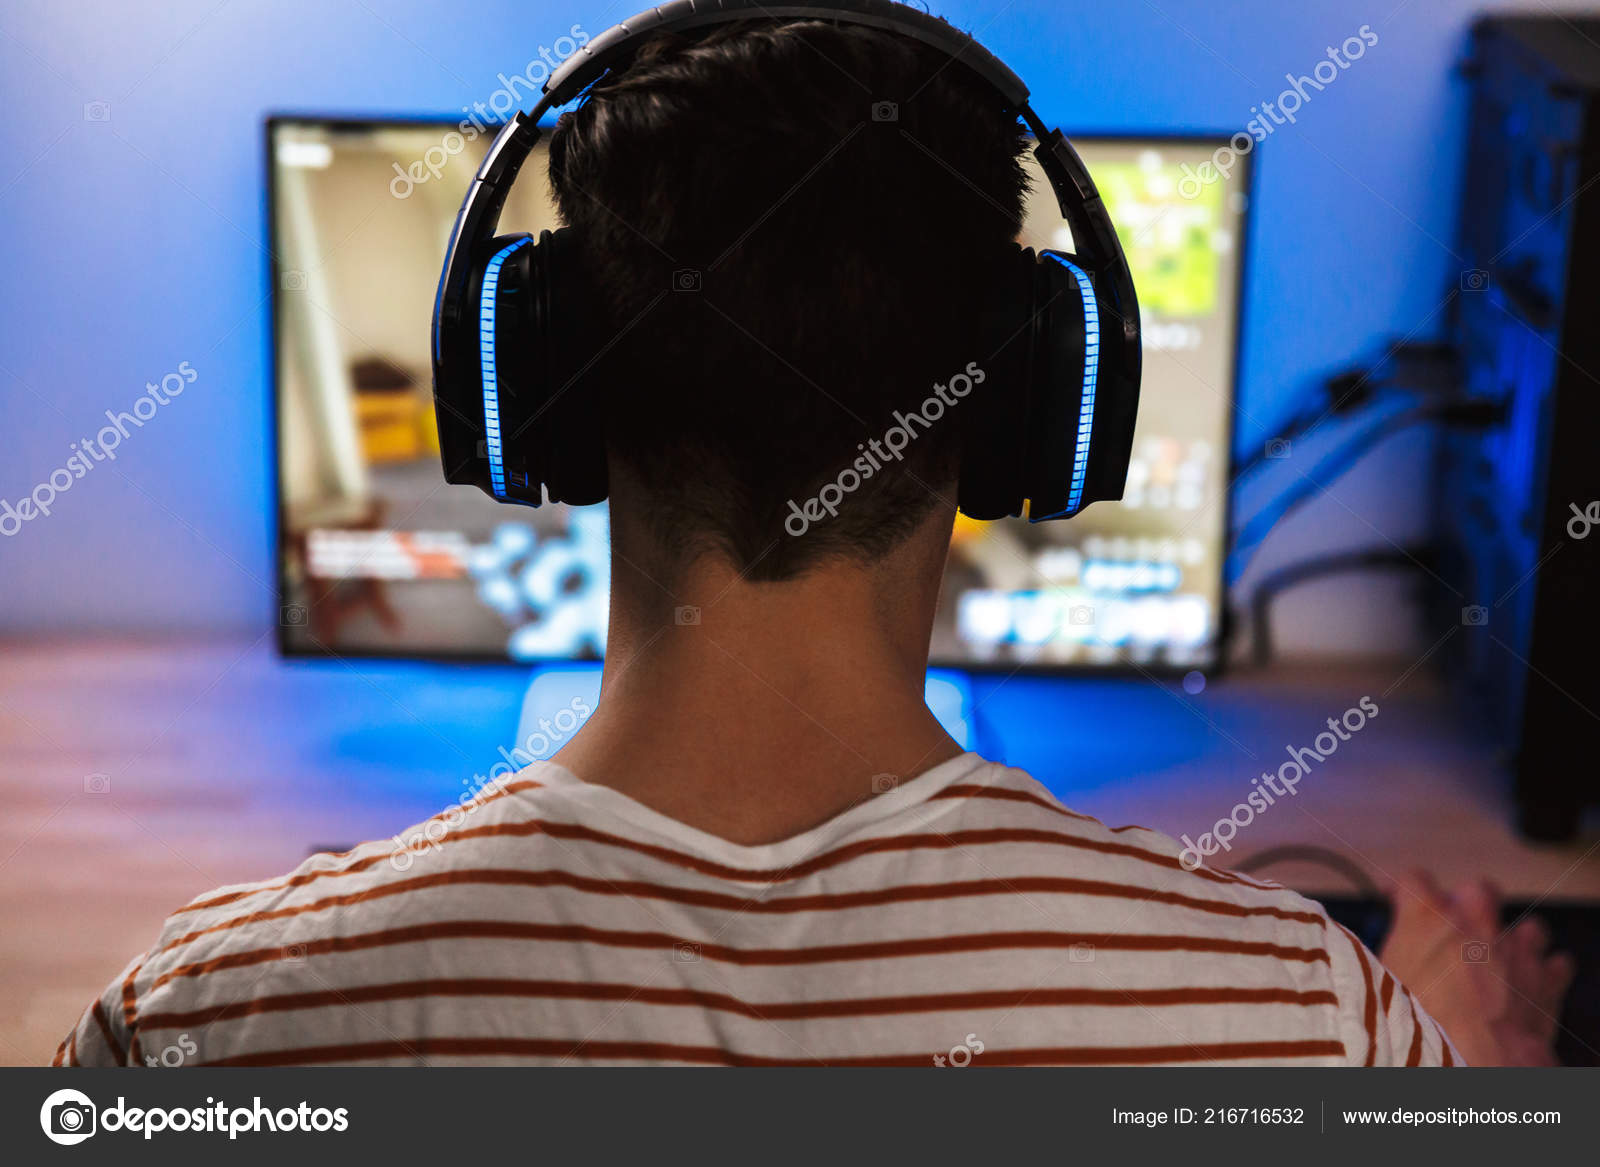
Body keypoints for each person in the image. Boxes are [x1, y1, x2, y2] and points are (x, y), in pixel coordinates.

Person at [57, 15, 1569, 1067]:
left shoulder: (200, 1015)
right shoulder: (1301, 1019)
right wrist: (1454, 1062)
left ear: (542, 400)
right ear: (1034, 408)